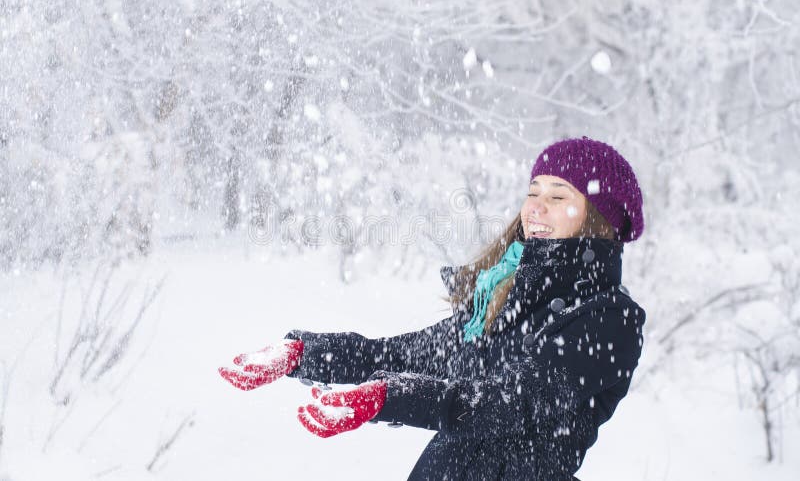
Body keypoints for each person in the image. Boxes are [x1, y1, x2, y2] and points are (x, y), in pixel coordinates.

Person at [219, 136, 646, 480]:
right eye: (532, 191)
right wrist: (305, 353)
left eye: (557, 196)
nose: (534, 206)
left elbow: (508, 404)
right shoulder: (507, 298)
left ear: (599, 218)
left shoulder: (609, 319)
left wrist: (390, 396)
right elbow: (405, 354)